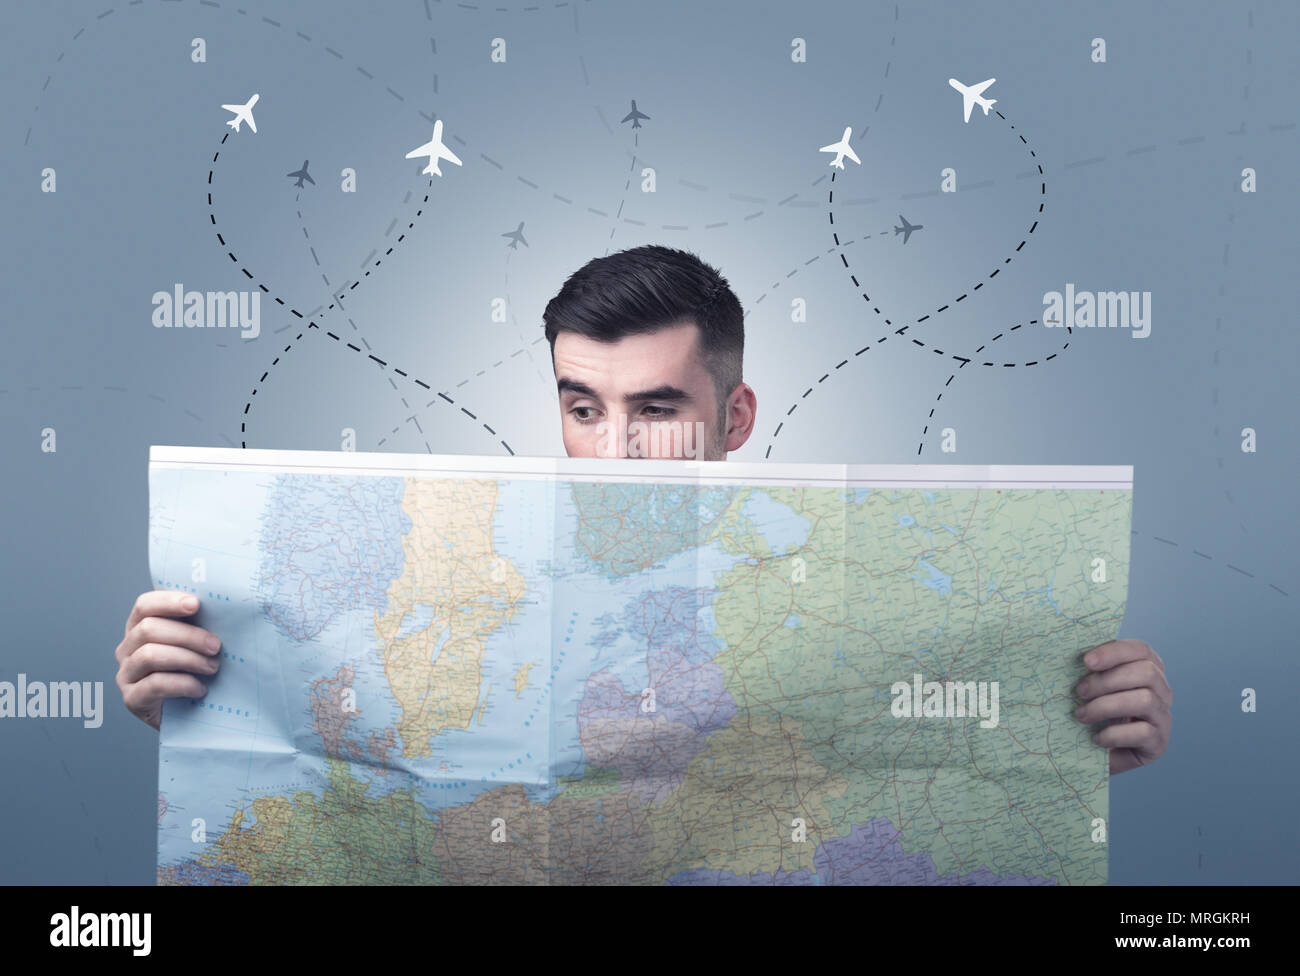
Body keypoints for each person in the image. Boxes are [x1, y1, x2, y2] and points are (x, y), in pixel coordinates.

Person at [115, 244, 1172, 775]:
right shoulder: (455, 581)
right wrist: (205, 701)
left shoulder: (857, 588)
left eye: (657, 406)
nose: (613, 449)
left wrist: (1072, 734)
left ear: (736, 411)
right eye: (584, 406)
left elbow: (927, 763)